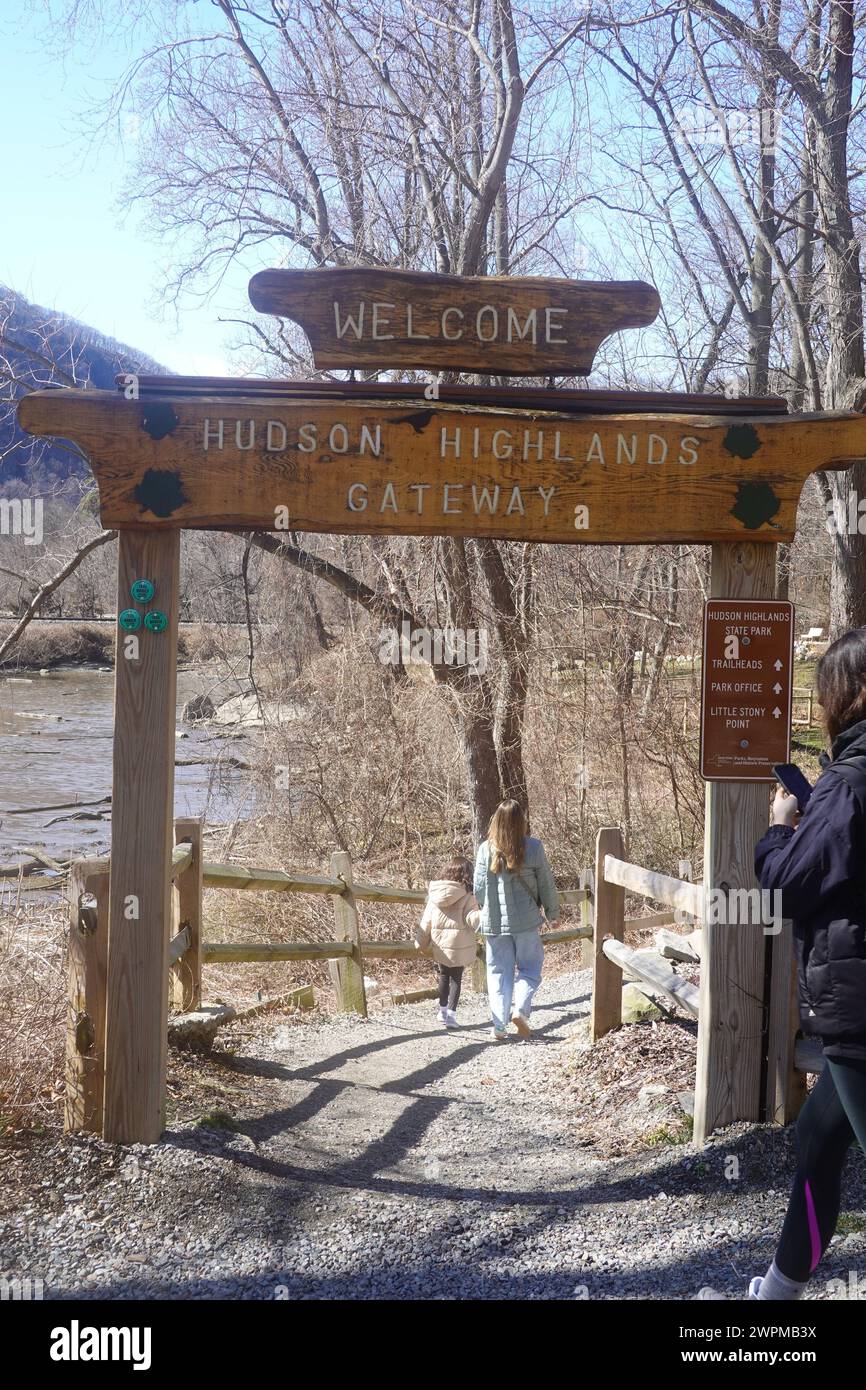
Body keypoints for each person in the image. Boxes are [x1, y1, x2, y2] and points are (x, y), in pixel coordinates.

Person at [746, 627, 866, 1300]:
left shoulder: (847, 786)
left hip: (859, 1008)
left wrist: (782, 825)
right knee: (819, 1138)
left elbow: (790, 883)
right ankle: (778, 1293)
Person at [473, 799, 559, 1041]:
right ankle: (520, 1009)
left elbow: (479, 891)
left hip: (494, 924)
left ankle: (498, 1026)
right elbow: (546, 885)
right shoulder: (533, 847)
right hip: (526, 923)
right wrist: (552, 913)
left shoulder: (484, 850)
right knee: (530, 968)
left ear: (495, 822)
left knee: (498, 972)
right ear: (521, 821)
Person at [414, 857, 481, 1030]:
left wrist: (420, 942)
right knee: (456, 978)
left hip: (440, 943)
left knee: (443, 975)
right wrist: (483, 918)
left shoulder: (435, 893)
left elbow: (426, 920)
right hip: (460, 943)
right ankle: (451, 1015)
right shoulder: (468, 894)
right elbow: (472, 917)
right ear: (467, 874)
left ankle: (441, 1010)